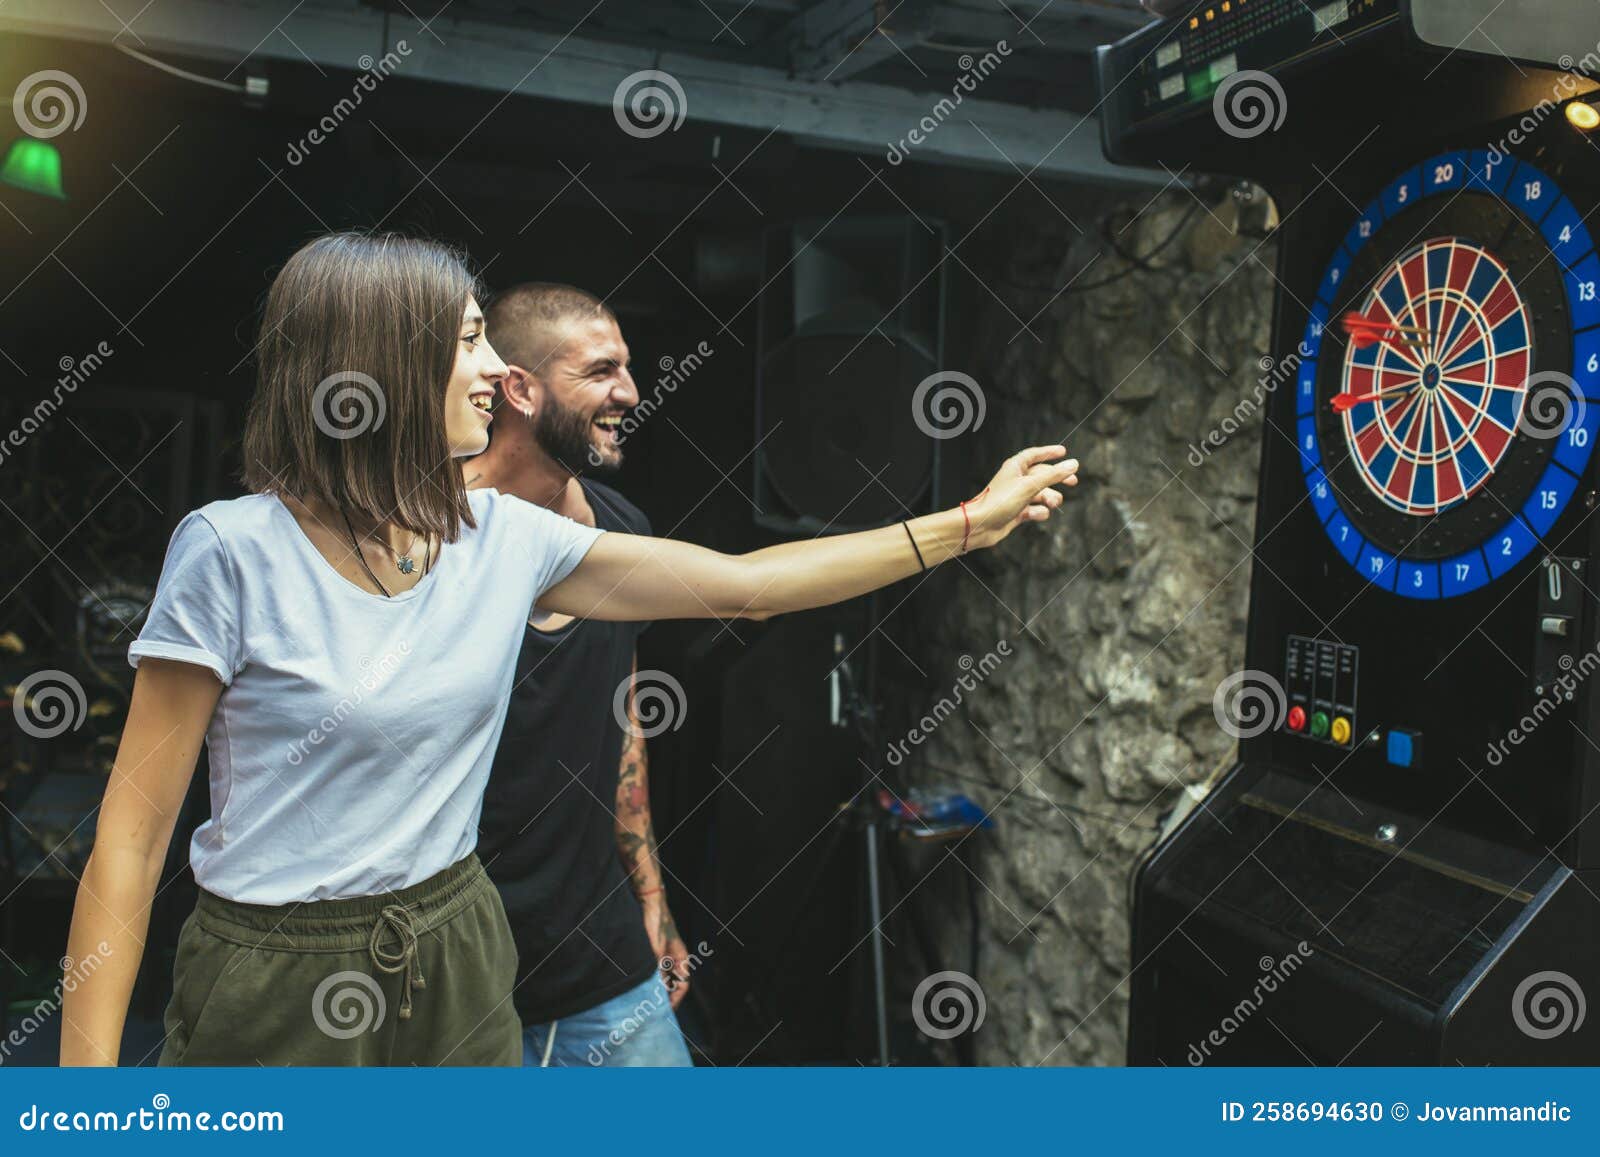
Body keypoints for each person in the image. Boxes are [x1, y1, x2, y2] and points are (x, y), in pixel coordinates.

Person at [58, 231, 1079, 1068]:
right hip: (272, 972)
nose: (496, 372)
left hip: (455, 949)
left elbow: (749, 584)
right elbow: (131, 842)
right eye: (466, 344)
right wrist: (85, 1093)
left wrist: (961, 526)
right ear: (379, 366)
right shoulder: (232, 550)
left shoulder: (509, 542)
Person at [468, 282, 690, 1067]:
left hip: (600, 965)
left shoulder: (623, 530)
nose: (628, 392)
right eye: (601, 371)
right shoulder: (431, 541)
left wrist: (652, 898)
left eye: (627, 368)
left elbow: (623, 724)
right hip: (453, 979)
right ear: (519, 389)